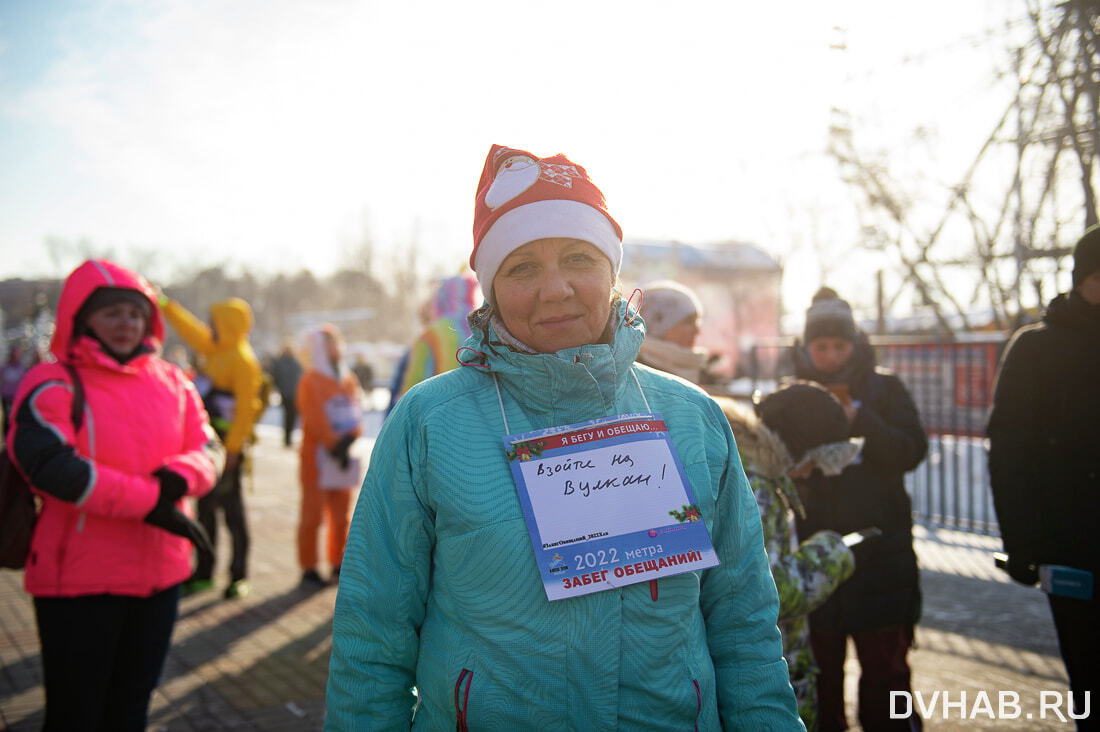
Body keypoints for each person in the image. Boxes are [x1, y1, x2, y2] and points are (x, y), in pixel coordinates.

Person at [325, 145, 803, 729]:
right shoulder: (429, 425)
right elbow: (372, 637)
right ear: (491, 287)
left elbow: (744, 622)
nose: (556, 289)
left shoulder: (691, 418)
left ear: (612, 272)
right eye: (522, 266)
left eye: (579, 257)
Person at [6, 259, 219, 730]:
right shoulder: (52, 381)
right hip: (79, 582)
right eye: (112, 313)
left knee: (130, 710)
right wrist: (152, 502)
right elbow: (48, 465)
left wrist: (178, 480)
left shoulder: (174, 382)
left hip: (159, 577)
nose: (127, 324)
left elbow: (208, 446)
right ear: (81, 318)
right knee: (75, 714)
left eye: (135, 313)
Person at [791, 286, 927, 731]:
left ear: (855, 344)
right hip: (818, 561)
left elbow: (912, 450)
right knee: (822, 681)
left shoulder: (885, 389)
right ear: (807, 348)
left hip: (882, 559)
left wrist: (860, 420)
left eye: (839, 345)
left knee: (888, 681)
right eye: (820, 346)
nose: (830, 355)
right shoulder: (791, 397)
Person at [987, 225, 1100, 728]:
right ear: (1082, 280)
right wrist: (1024, 546)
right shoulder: (1035, 350)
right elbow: (1010, 454)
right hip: (1073, 548)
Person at [718, 383, 860, 730]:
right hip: (767, 664)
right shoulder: (758, 488)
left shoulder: (740, 466)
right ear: (795, 447)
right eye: (812, 459)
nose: (811, 471)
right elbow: (773, 591)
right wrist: (831, 553)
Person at [160, 295, 264, 599]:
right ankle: (204, 572)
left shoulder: (243, 360)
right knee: (205, 512)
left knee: (233, 515)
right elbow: (190, 329)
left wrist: (233, 450)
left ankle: (238, 576)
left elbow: (247, 408)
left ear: (228, 325)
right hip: (207, 446)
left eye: (216, 321)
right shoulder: (214, 348)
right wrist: (166, 305)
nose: (209, 326)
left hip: (228, 450)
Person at [296, 324, 362, 588]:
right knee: (312, 514)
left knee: (341, 515)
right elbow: (313, 418)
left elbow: (356, 411)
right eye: (332, 343)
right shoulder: (310, 380)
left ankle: (339, 563)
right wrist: (335, 444)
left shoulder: (347, 378)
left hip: (342, 455)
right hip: (318, 456)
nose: (338, 347)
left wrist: (350, 439)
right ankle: (308, 566)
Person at [391, 269, 481, 404]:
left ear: (441, 297)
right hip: (483, 417)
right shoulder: (486, 329)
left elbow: (412, 392)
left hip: (440, 418)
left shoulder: (431, 335)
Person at [636, 279, 709, 383]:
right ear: (658, 327)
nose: (697, 331)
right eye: (688, 322)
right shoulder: (636, 375)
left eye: (697, 321)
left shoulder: (705, 375)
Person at [272, 343, 304, 447]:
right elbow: (276, 377)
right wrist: (279, 388)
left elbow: (302, 376)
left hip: (295, 394)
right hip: (285, 394)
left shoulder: (296, 363)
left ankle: (289, 437)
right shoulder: (280, 363)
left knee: (293, 416)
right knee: (287, 416)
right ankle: (286, 437)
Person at [2, 343, 27, 436]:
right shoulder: (5, 367)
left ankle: (14, 436)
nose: (16, 355)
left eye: (18, 353)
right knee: (6, 418)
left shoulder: (22, 368)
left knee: (15, 418)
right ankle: (6, 437)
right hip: (5, 396)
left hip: (16, 397)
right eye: (15, 353)